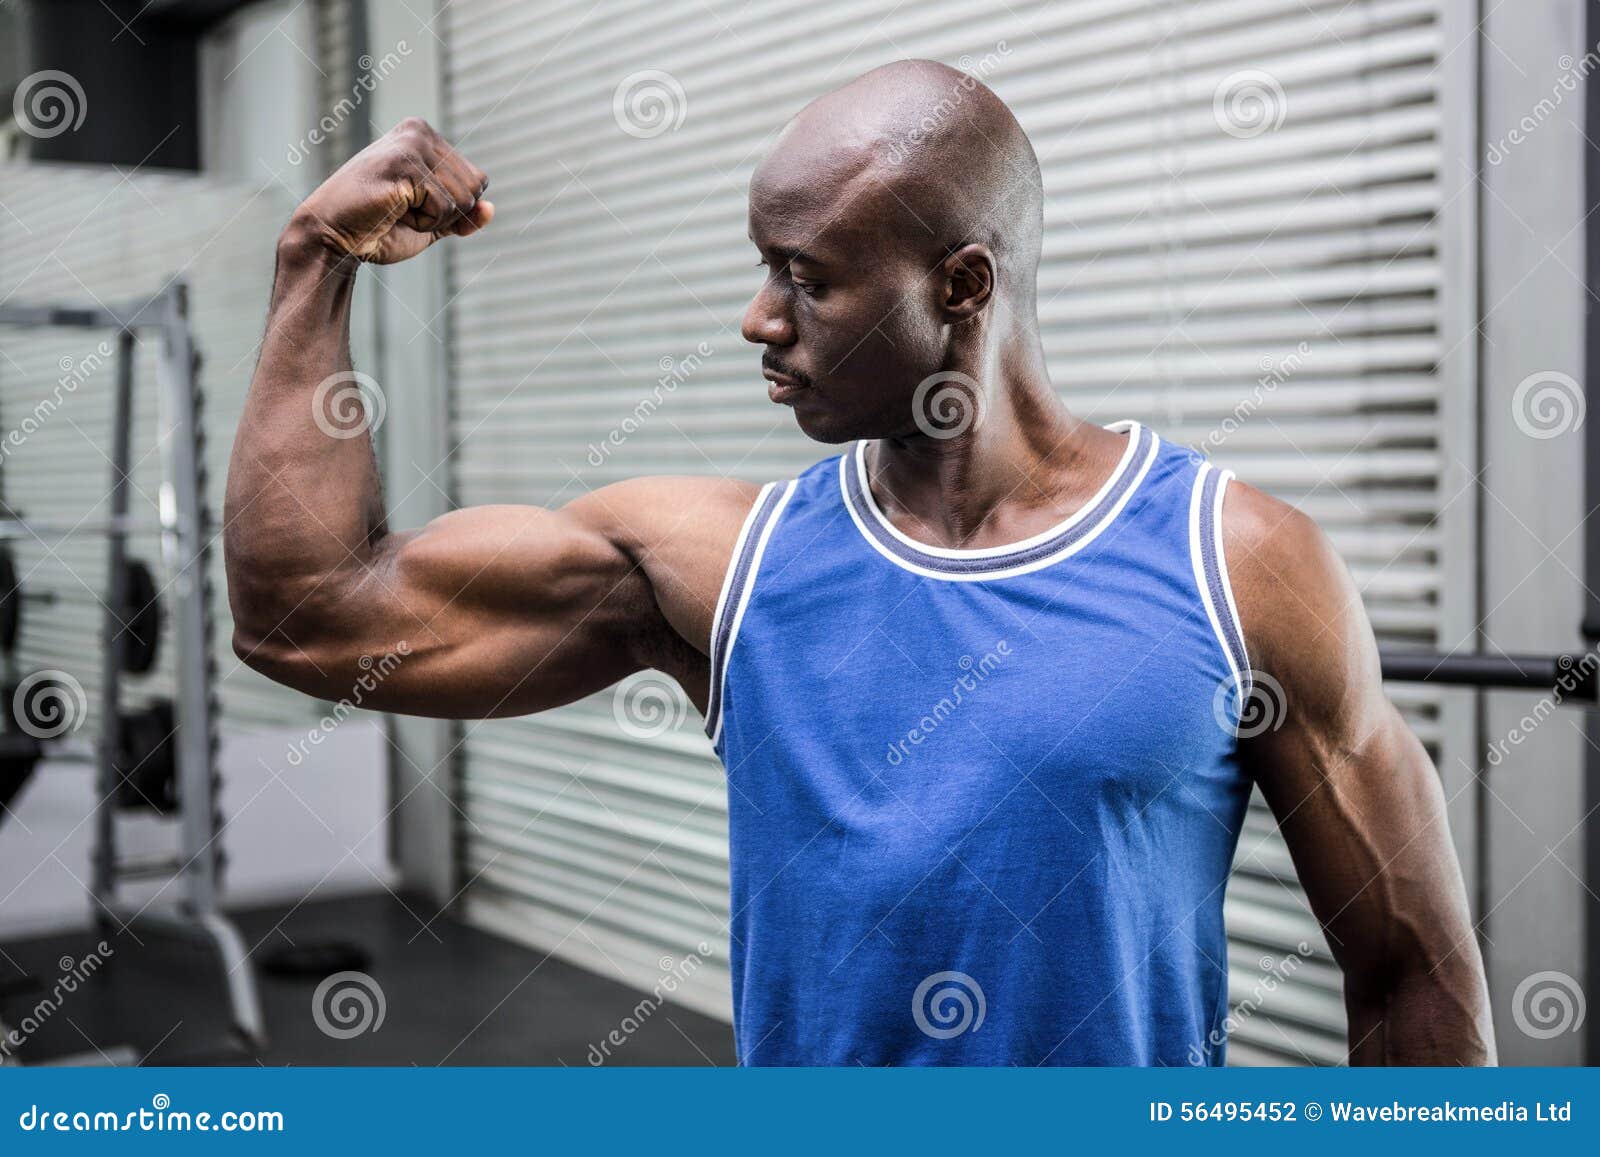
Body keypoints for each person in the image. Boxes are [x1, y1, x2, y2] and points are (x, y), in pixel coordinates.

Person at [224, 60, 1494, 1066]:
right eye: (761, 265)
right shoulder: (720, 561)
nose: (756, 317)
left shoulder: (1245, 568)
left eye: (805, 277)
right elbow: (309, 615)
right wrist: (310, 265)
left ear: (962, 285)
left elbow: (1412, 969)